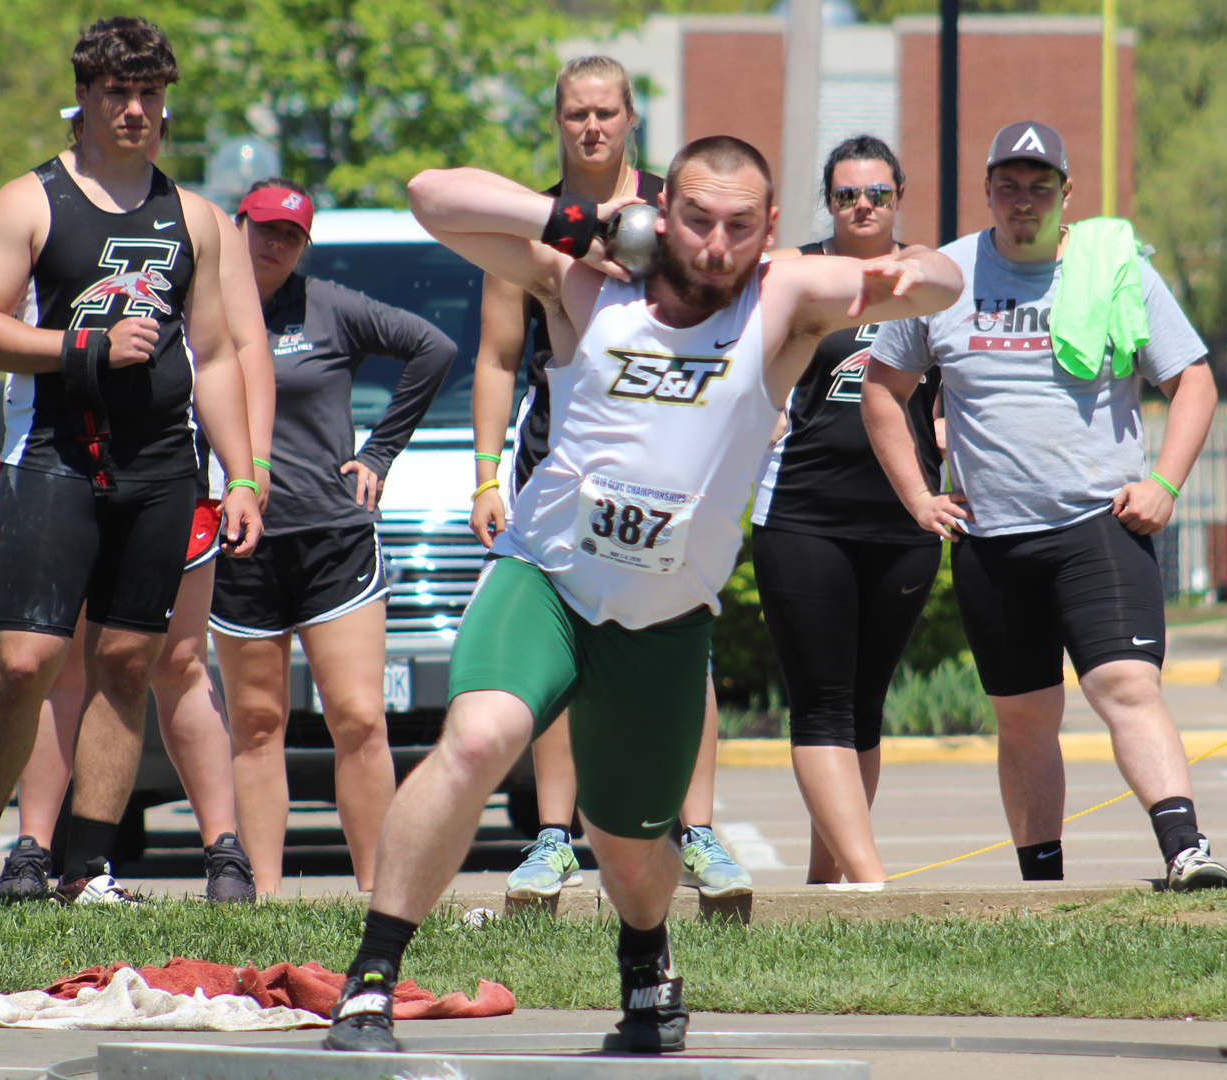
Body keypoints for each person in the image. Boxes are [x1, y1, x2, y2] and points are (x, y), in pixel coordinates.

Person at [323, 135, 960, 1053]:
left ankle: (646, 957)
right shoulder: (591, 287)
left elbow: (935, 283)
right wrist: (573, 220)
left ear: (769, 230)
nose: (714, 244)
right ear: (662, 218)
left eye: (739, 227)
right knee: (479, 737)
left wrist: (814, 271)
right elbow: (431, 196)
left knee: (627, 847)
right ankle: (372, 980)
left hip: (664, 615)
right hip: (547, 577)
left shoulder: (782, 303)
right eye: (695, 220)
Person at [0, 16, 261, 907]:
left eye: (150, 94)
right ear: (83, 96)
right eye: (118, 92)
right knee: (27, 661)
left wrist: (245, 474)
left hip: (162, 470)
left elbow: (217, 356)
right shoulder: (30, 200)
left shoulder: (194, 216)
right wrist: (87, 348)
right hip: (55, 460)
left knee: (125, 665)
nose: (136, 110)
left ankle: (89, 868)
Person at [862, 120, 1227, 890]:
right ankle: (1042, 884)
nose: (1023, 200)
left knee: (1125, 686)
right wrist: (918, 498)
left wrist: (1163, 484)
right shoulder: (945, 276)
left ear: (1067, 195)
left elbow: (1192, 379)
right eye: (1009, 184)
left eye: (1040, 186)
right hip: (992, 538)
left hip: (1099, 523)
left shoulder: (1114, 267)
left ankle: (1185, 850)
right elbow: (882, 389)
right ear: (987, 190)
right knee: (1025, 719)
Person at [470, 53, 752, 902]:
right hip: (561, 462)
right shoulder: (535, 219)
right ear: (557, 122)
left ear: (631, 119)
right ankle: (553, 837)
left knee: (681, 640)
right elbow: (495, 355)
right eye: (574, 114)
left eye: (605, 112)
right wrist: (487, 475)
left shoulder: (678, 210)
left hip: (671, 462)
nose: (590, 126)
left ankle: (696, 832)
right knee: (563, 652)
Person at [212, 177, 454, 896]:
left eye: (290, 235)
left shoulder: (329, 307)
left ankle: (381, 896)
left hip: (333, 539)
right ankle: (260, 898)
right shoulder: (204, 309)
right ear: (236, 227)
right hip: (242, 543)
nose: (275, 244)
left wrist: (379, 454)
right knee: (255, 725)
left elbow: (432, 348)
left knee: (357, 718)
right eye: (264, 229)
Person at [753, 135, 943, 885]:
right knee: (823, 703)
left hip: (902, 520)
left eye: (876, 194)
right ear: (827, 202)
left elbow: (957, 377)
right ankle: (869, 884)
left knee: (864, 707)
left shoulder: (925, 279)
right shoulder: (797, 273)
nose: (861, 205)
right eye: (845, 195)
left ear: (899, 198)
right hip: (805, 512)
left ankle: (826, 884)